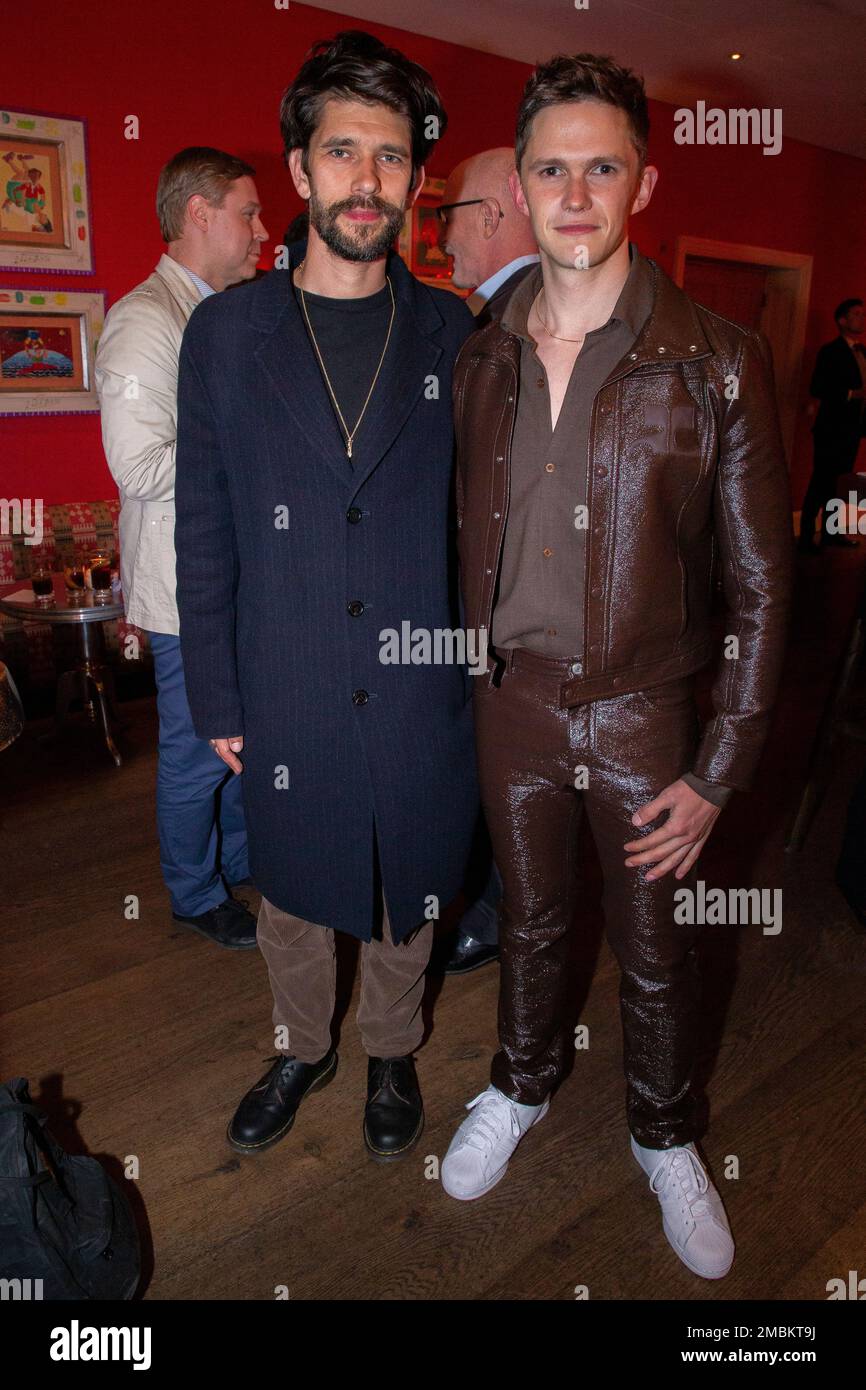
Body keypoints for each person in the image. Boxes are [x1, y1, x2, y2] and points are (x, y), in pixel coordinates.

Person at [441, 52, 793, 1282]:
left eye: (601, 166)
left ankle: (664, 1133)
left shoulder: (718, 359)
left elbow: (762, 587)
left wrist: (719, 765)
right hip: (512, 707)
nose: (575, 193)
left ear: (640, 182)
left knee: (659, 947)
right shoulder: (478, 353)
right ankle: (521, 1084)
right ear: (522, 186)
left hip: (647, 715)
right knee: (531, 925)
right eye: (551, 168)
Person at [174, 30, 479, 1162]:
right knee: (295, 895)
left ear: (411, 179)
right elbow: (202, 521)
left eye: (390, 157)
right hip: (284, 670)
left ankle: (392, 1047)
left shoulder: (453, 332)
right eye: (341, 152)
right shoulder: (225, 334)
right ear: (298, 171)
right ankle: (302, 1044)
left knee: (412, 885)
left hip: (417, 679)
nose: (367, 180)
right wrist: (216, 693)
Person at [95, 147, 269, 949]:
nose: (262, 232)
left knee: (238, 740)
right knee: (199, 751)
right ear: (200, 214)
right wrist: (258, 458)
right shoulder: (144, 318)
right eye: (249, 212)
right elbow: (138, 466)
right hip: (181, 586)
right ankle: (194, 893)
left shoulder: (218, 312)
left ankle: (235, 863)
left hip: (232, 580)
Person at [429, 149, 540, 976]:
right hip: (498, 609)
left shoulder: (516, 323)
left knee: (511, 771)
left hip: (512, 615)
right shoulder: (492, 317)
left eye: (449, 215)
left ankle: (504, 913)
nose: (440, 237)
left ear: (496, 212)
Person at [798, 297, 865, 552]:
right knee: (821, 480)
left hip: (853, 428)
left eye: (862, 314)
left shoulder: (862, 352)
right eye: (856, 314)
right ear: (842, 320)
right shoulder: (830, 352)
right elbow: (818, 387)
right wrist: (851, 394)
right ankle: (806, 535)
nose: (861, 319)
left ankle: (831, 532)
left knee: (843, 482)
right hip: (832, 428)